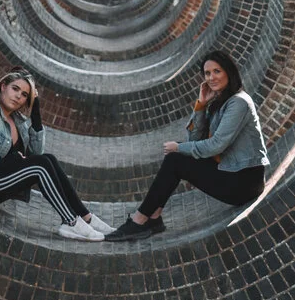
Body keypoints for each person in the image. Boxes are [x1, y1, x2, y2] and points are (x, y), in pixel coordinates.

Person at [105, 48, 266, 241]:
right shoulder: (219, 102)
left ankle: (140, 220)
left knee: (176, 158)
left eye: (217, 71)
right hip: (230, 173)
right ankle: (153, 217)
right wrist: (201, 105)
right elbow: (195, 140)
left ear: (229, 72)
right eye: (207, 73)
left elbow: (216, 145)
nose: (211, 77)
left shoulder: (239, 103)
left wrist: (178, 148)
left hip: (244, 183)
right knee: (177, 156)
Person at [0, 72, 116, 241]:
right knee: (40, 167)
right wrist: (4, 162)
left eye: (24, 95)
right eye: (15, 89)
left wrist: (35, 115)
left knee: (48, 159)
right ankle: (71, 222)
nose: (18, 96)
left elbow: (36, 154)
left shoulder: (17, 120)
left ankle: (86, 217)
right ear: (3, 86)